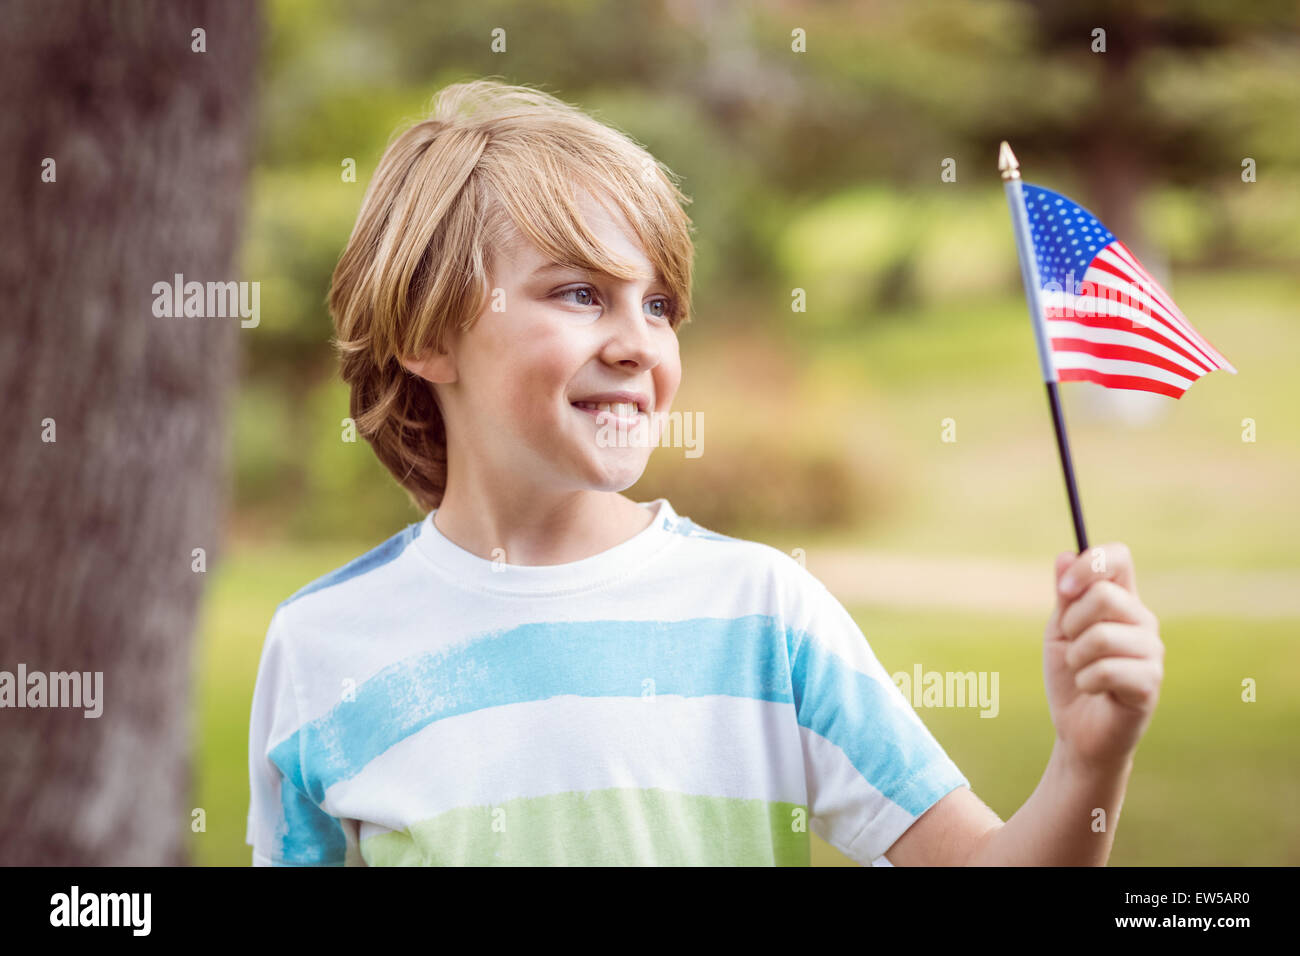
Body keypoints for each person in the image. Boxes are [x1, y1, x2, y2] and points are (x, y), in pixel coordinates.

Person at [246, 78, 1164, 866]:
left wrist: (1089, 763)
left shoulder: (762, 613)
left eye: (658, 304)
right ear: (428, 335)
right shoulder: (324, 647)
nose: (639, 343)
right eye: (579, 294)